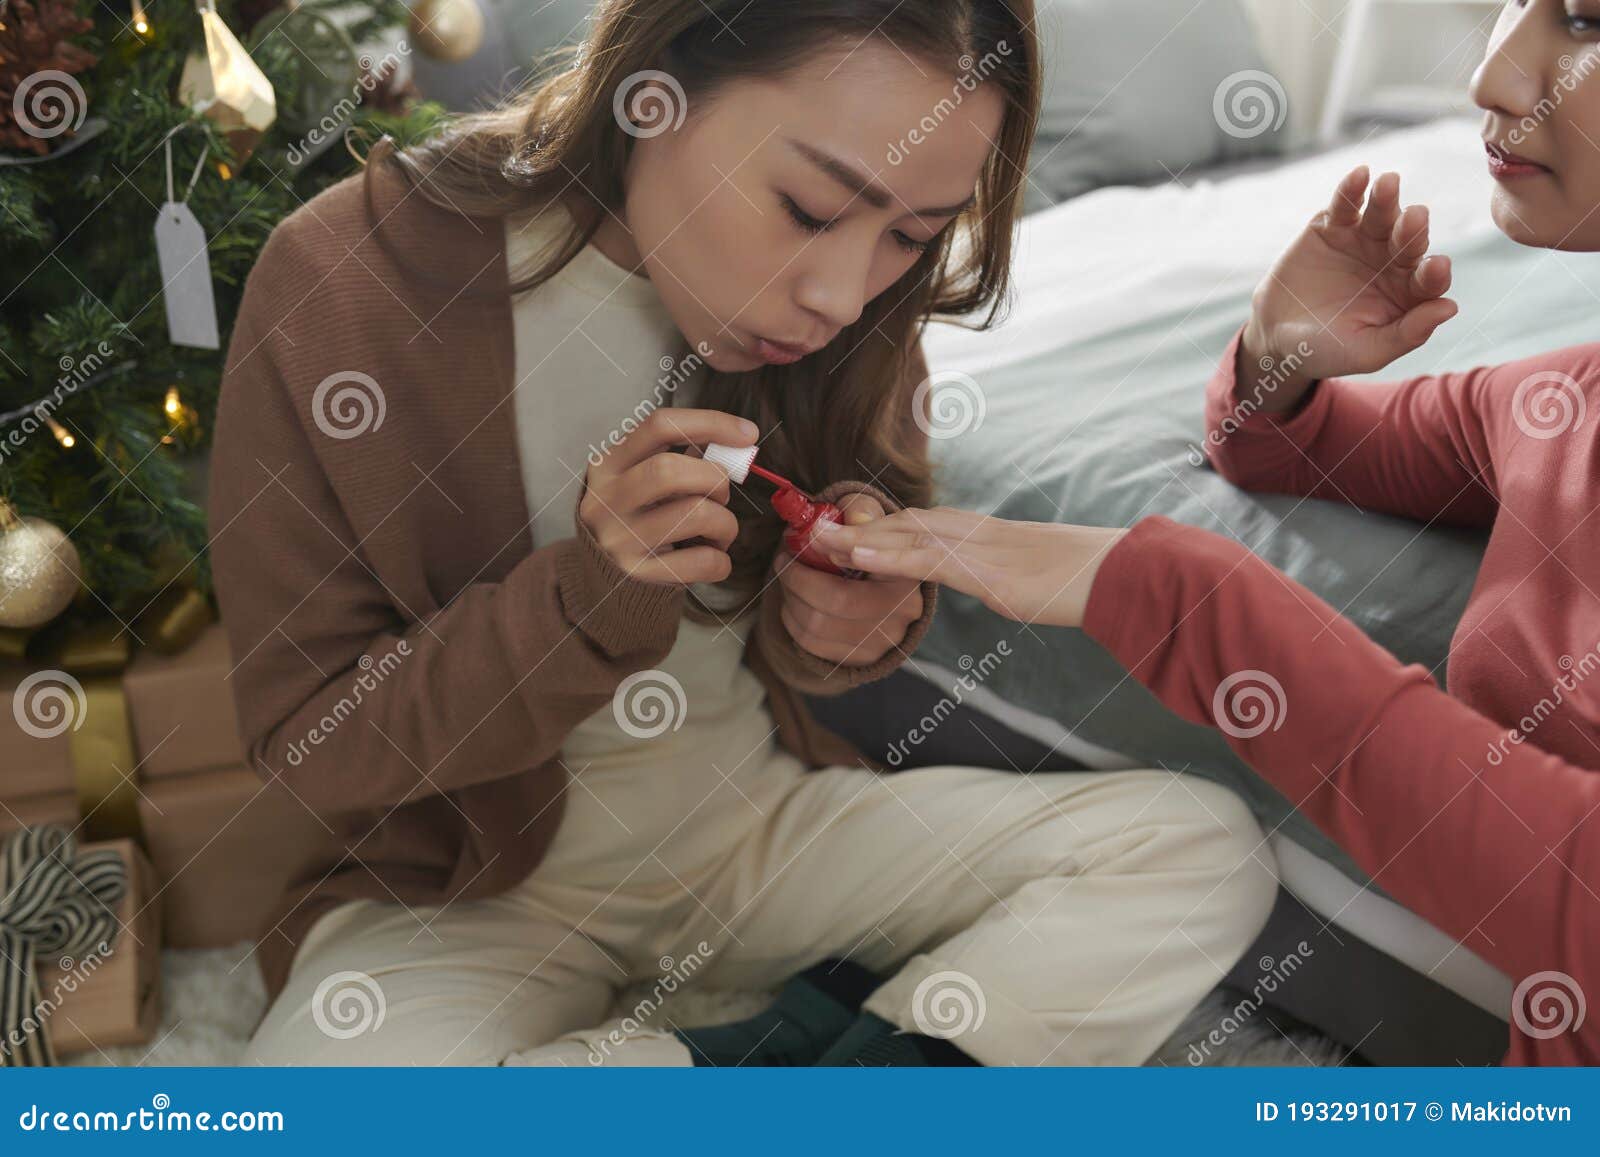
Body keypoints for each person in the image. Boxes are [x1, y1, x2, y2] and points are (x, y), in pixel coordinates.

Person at [209, 0, 1276, 1067]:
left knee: (1202, 854)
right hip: (464, 901)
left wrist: (844, 620)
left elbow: (822, 620)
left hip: (753, 835)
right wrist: (586, 602)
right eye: (809, 208)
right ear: (654, 82)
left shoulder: (860, 315)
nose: (841, 295)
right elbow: (309, 738)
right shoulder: (349, 280)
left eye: (911, 235)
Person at [811, 0, 1600, 1065]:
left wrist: (1171, 591)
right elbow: (1283, 444)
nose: (1494, 78)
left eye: (1587, 21)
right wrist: (1280, 347)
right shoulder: (1560, 401)